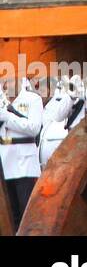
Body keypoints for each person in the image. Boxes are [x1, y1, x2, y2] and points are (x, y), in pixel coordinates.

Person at [0, 76, 43, 224]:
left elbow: (34, 128)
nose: (6, 84)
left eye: (10, 80)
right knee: (10, 216)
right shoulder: (1, 101)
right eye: (4, 81)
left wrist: (8, 118)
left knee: (27, 213)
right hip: (4, 162)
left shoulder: (32, 99)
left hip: (24, 163)